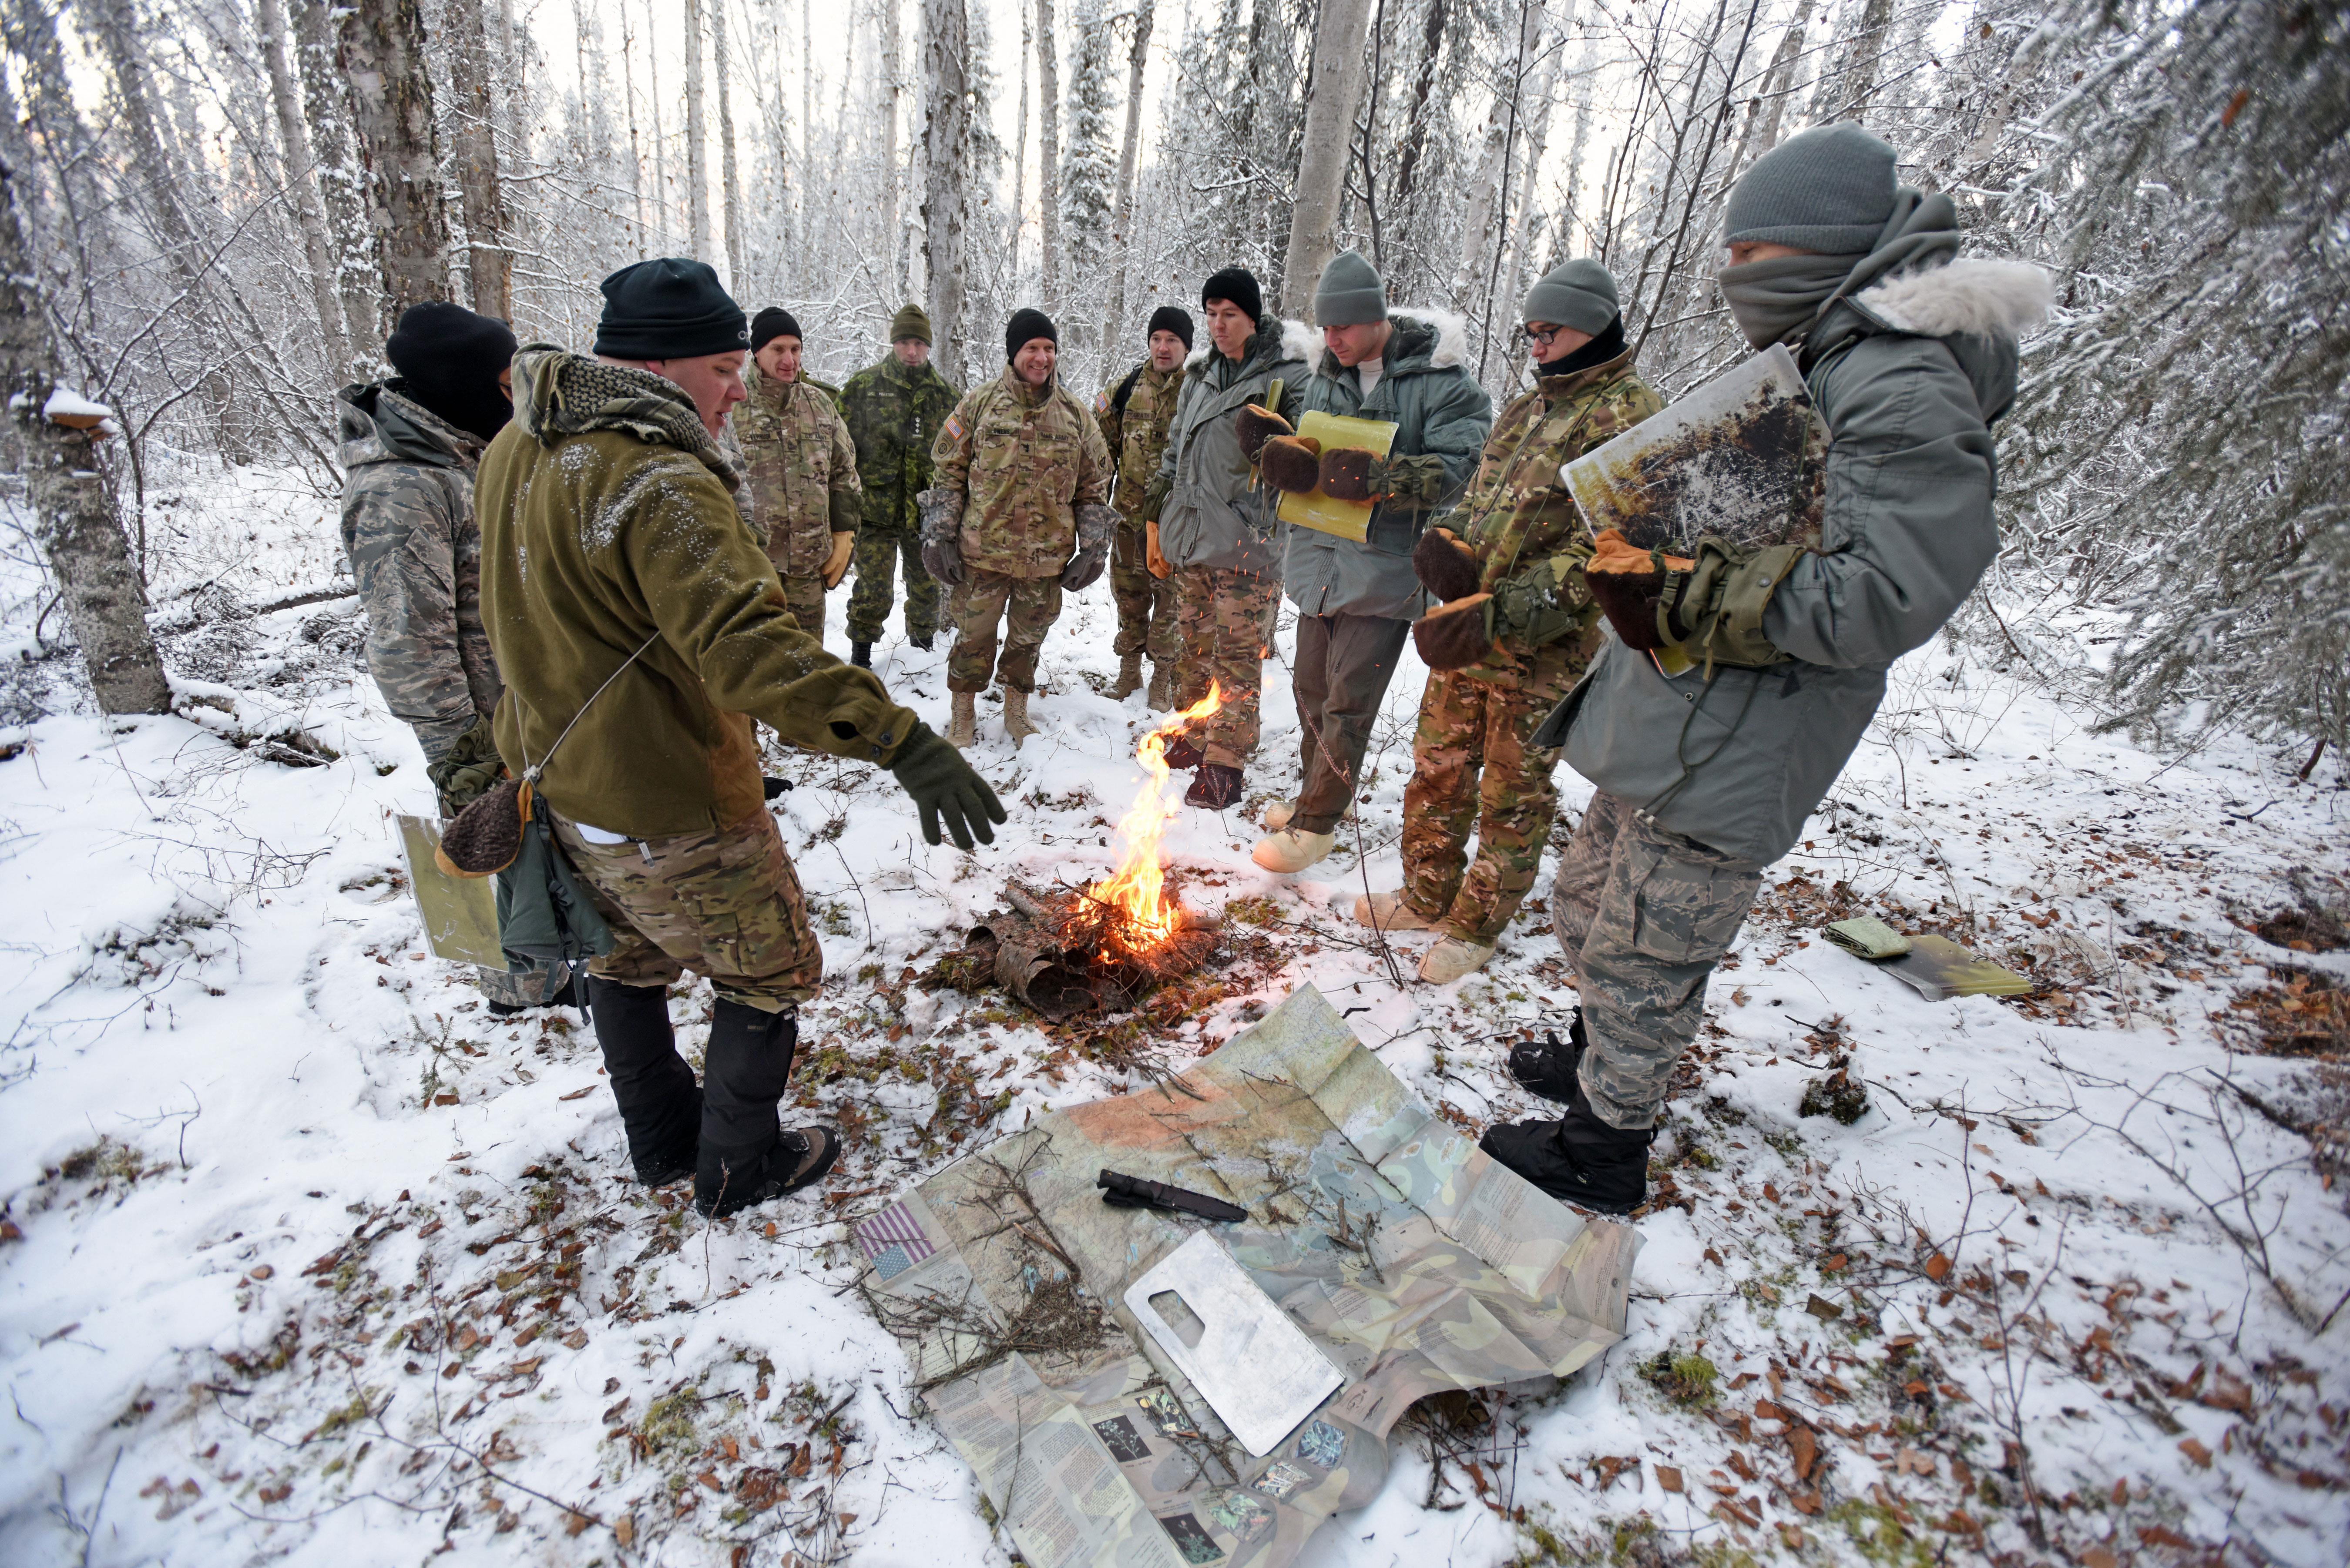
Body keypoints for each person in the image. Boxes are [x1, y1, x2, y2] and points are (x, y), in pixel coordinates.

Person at [1481, 124, 2048, 1214]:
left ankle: (1603, 1145)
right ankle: (1601, 1052)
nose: (1730, 277)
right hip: (1686, 703)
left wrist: (1682, 588)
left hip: (1745, 730)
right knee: (1593, 901)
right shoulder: (1828, 357)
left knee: (1652, 943)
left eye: (1750, 257)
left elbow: (1886, 592)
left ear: (1818, 250)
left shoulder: (1898, 382)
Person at [475, 259, 1005, 1218]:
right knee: (770, 968)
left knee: (627, 958)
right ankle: (736, 1165)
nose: (736, 387)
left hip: (565, 784)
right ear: (659, 362)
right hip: (671, 791)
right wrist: (901, 742)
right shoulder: (656, 476)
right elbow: (751, 651)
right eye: (723, 366)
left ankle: (662, 1139)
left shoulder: (521, 441)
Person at [1356, 259, 1662, 985]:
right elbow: (1480, 491)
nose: (1537, 345)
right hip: (1468, 628)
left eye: (1549, 331)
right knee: (1438, 765)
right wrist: (1449, 540)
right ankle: (1426, 892)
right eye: (1530, 332)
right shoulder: (1531, 410)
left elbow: (1612, 543)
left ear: (1595, 322)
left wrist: (1515, 608)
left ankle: (1476, 923)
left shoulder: (1631, 413)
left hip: (1540, 646)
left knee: (1513, 791)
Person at [338, 301, 569, 1015]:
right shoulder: (400, 486)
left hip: (515, 705)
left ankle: (549, 969)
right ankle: (514, 993)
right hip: (472, 717)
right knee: (487, 840)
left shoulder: (465, 457)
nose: (513, 398)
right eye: (501, 383)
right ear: (457, 384)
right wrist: (455, 742)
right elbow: (406, 635)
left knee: (533, 843)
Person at [1255, 250, 1492, 871]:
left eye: (1346, 327)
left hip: (1383, 569)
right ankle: (1316, 796)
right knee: (1310, 690)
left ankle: (1317, 825)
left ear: (1378, 318)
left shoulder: (1442, 384)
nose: (1333, 339)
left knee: (1348, 703)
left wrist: (1385, 477)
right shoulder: (1323, 373)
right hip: (1318, 563)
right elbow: (1301, 443)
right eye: (1326, 327)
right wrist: (1281, 456)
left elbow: (1461, 470)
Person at [1152, 268, 1311, 809]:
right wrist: (1161, 504)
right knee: (1193, 644)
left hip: (1248, 537)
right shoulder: (1200, 375)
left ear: (1253, 317)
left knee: (1238, 655)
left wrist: (1278, 443)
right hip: (1196, 533)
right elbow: (1177, 446)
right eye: (1212, 315)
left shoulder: (1288, 375)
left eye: (1231, 316)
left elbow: (1309, 449)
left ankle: (1227, 761)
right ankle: (1197, 735)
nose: (1219, 326)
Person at [920, 308, 1115, 749]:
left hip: (1045, 560)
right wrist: (938, 534)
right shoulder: (980, 405)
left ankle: (1015, 709)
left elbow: (1093, 487)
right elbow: (949, 473)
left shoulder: (1076, 416)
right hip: (981, 553)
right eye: (1032, 348)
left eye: (1049, 348)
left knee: (1028, 641)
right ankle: (963, 713)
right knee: (972, 639)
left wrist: (1094, 548)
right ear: (1014, 353)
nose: (1042, 357)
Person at [838, 304, 960, 667]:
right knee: (872, 590)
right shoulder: (864, 387)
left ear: (929, 347)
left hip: (925, 515)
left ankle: (921, 660)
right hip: (875, 511)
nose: (912, 351)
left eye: (919, 344)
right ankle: (861, 657)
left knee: (926, 590)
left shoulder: (945, 396)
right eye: (905, 342)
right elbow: (840, 448)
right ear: (894, 343)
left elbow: (958, 457)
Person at [733, 306, 858, 645]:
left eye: (796, 349)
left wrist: (844, 531)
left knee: (807, 660)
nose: (789, 359)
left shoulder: (819, 404)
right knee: (756, 662)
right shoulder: (733, 406)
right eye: (778, 349)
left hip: (809, 564)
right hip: (753, 568)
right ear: (756, 352)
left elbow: (844, 472)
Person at [1095, 307, 1192, 707]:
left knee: (1171, 599)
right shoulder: (1125, 388)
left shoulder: (1197, 392)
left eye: (1172, 341)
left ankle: (1163, 676)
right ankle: (1129, 670)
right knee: (1130, 597)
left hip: (1175, 523)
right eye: (1156, 339)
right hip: (1128, 520)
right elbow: (1101, 455)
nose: (1163, 348)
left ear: (1187, 347)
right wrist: (1096, 510)